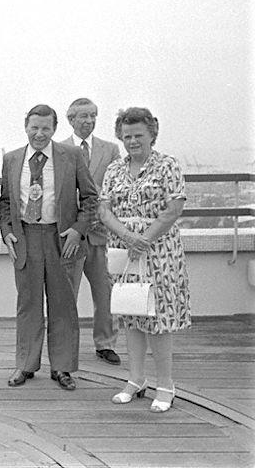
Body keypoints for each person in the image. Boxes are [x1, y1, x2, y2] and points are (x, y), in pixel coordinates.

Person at [0, 104, 98, 391]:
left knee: (63, 305)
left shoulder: (72, 156)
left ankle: (63, 368)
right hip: (26, 238)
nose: (39, 134)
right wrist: (7, 232)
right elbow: (5, 202)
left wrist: (78, 231)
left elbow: (91, 198)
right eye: (34, 128)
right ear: (25, 126)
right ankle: (26, 365)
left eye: (46, 128)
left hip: (61, 239)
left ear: (55, 129)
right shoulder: (12, 159)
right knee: (28, 304)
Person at [99, 107, 190, 413]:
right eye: (127, 136)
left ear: (152, 133)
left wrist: (145, 238)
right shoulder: (114, 170)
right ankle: (136, 380)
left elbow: (174, 207)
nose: (133, 141)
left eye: (138, 135)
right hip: (124, 250)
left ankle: (165, 385)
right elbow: (104, 210)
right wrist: (128, 236)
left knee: (159, 319)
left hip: (159, 251)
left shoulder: (168, 166)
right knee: (130, 314)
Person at [62, 98, 122, 365]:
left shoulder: (110, 150)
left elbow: (116, 188)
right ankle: (65, 345)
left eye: (93, 116)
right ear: (71, 119)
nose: (88, 121)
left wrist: (100, 217)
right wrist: (79, 223)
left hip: (100, 233)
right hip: (71, 235)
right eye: (83, 116)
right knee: (67, 293)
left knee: (104, 291)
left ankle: (105, 344)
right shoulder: (58, 149)